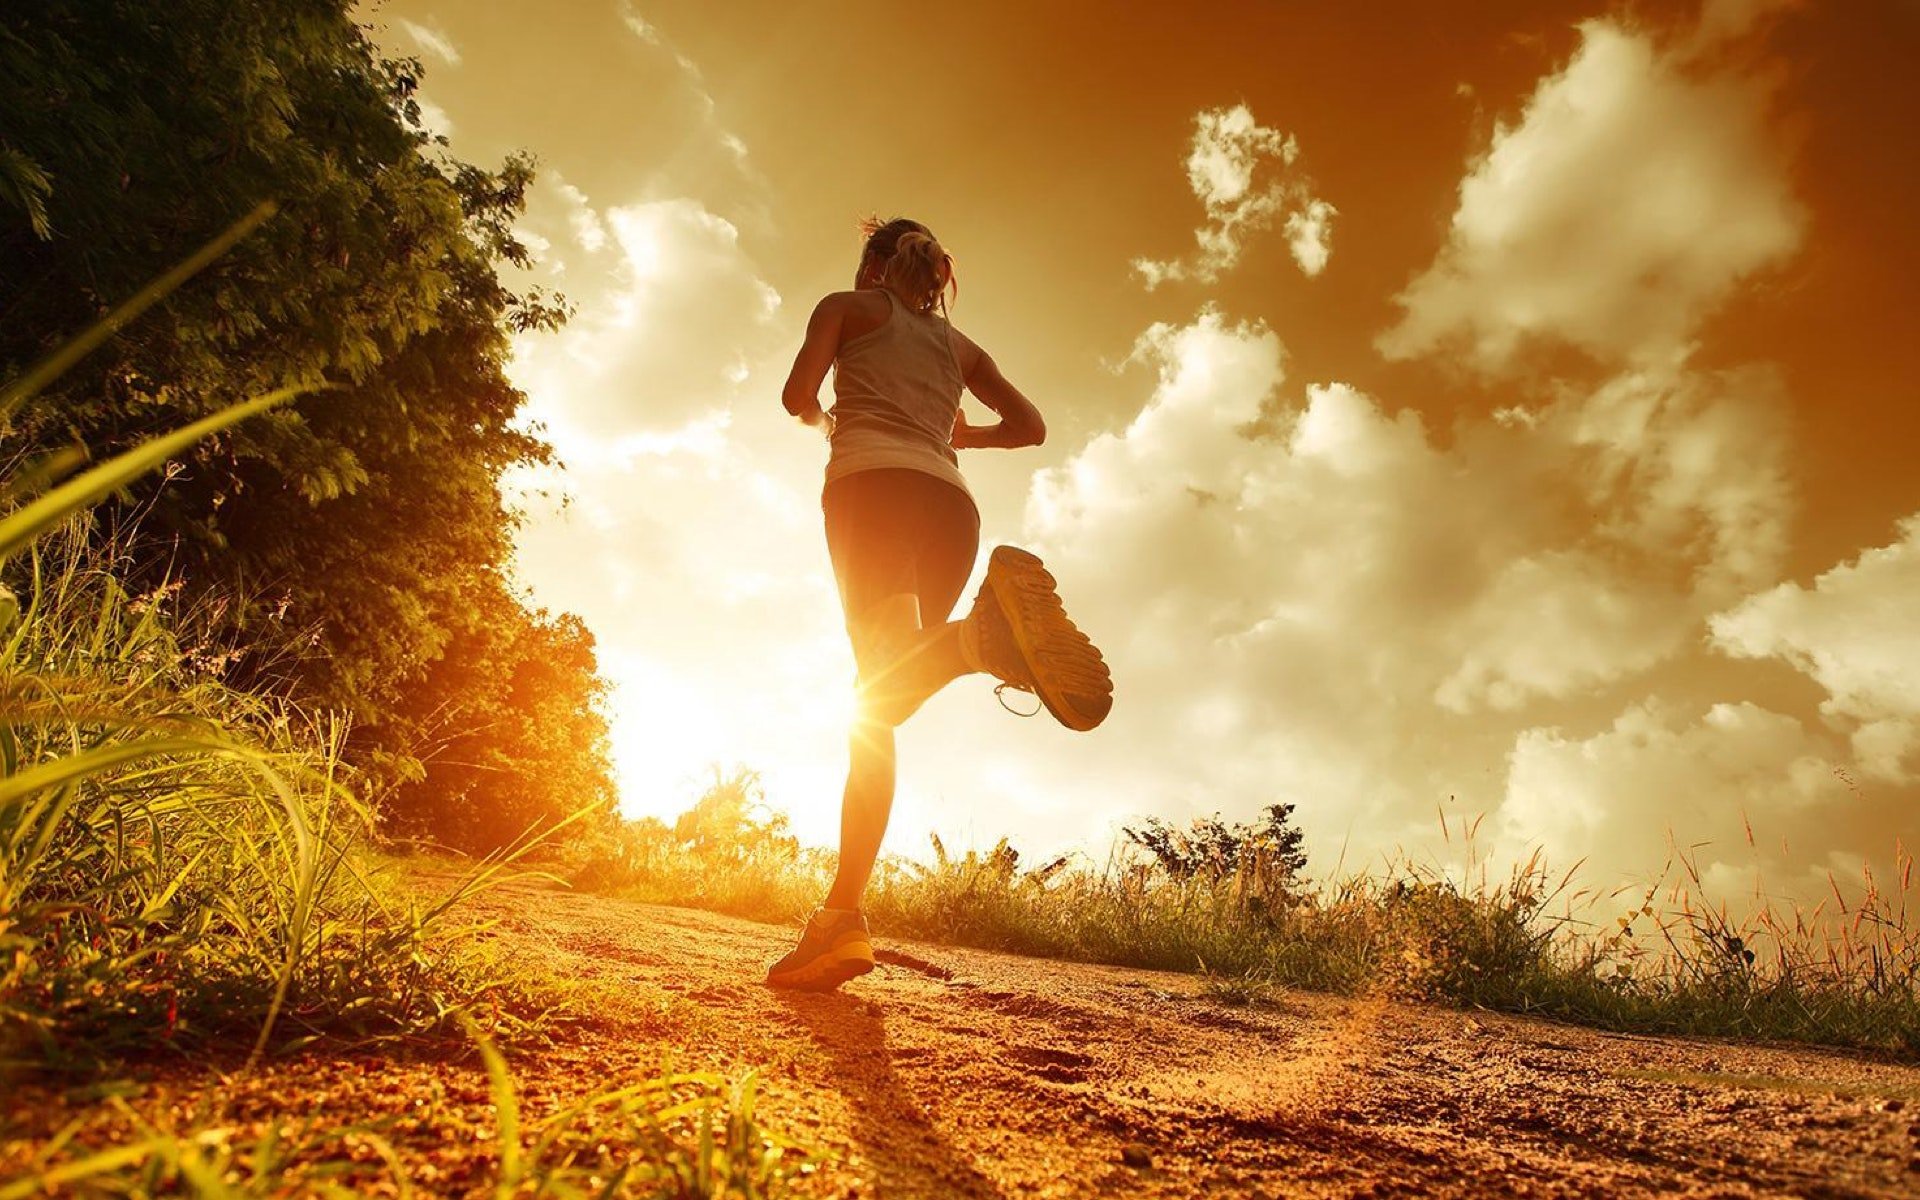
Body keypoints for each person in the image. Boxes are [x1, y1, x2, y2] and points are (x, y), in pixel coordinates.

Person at [766, 216, 1112, 991]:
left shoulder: (846, 308)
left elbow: (795, 397)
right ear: (935, 274)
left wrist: (826, 421)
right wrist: (963, 438)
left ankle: (974, 641)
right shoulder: (961, 348)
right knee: (882, 700)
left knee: (879, 694)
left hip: (871, 491)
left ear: (872, 263)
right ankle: (841, 919)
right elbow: (1030, 427)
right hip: (951, 508)